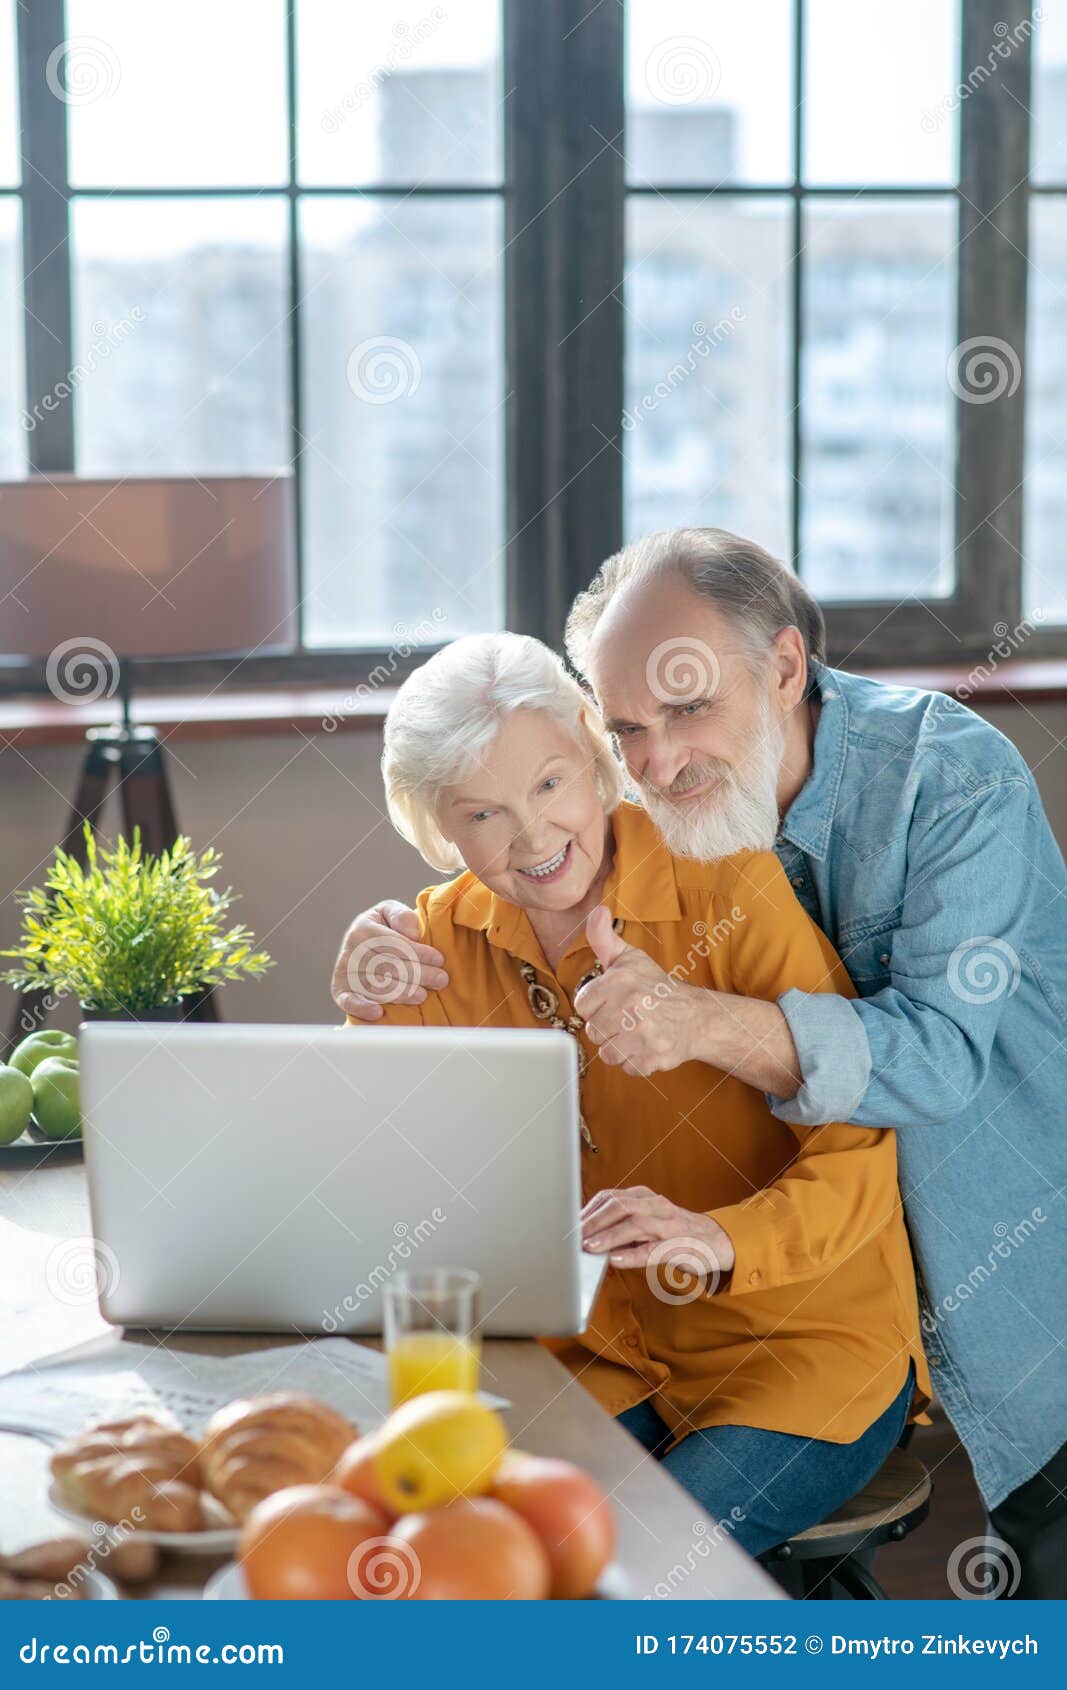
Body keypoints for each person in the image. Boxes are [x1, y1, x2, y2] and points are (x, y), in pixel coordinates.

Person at [336, 529, 1067, 1597]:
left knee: (1035, 1565)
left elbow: (936, 1063)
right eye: (627, 728)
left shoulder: (936, 785)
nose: (657, 762)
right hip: (635, 1337)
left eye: (685, 708)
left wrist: (700, 1028)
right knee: (542, 1560)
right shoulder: (632, 840)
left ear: (784, 668)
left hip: (976, 1244)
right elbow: (380, 1145)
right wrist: (371, 982)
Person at [343, 628, 928, 1559]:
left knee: (631, 1561)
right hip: (591, 1356)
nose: (534, 837)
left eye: (549, 784)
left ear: (593, 756)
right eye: (483, 813)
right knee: (476, 1543)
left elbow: (860, 1141)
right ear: (439, 828)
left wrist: (721, 1237)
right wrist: (363, 1000)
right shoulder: (431, 948)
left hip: (796, 1348)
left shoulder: (728, 881)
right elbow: (367, 1170)